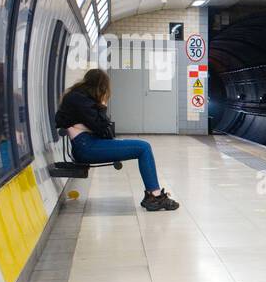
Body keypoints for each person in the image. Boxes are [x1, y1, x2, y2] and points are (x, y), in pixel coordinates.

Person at [54, 68, 180, 211]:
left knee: (143, 147)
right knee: (143, 147)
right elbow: (103, 128)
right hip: (87, 147)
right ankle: (155, 196)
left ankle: (153, 194)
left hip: (87, 144)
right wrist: (102, 105)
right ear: (101, 86)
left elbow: (103, 130)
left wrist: (81, 126)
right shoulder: (81, 99)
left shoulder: (77, 97)